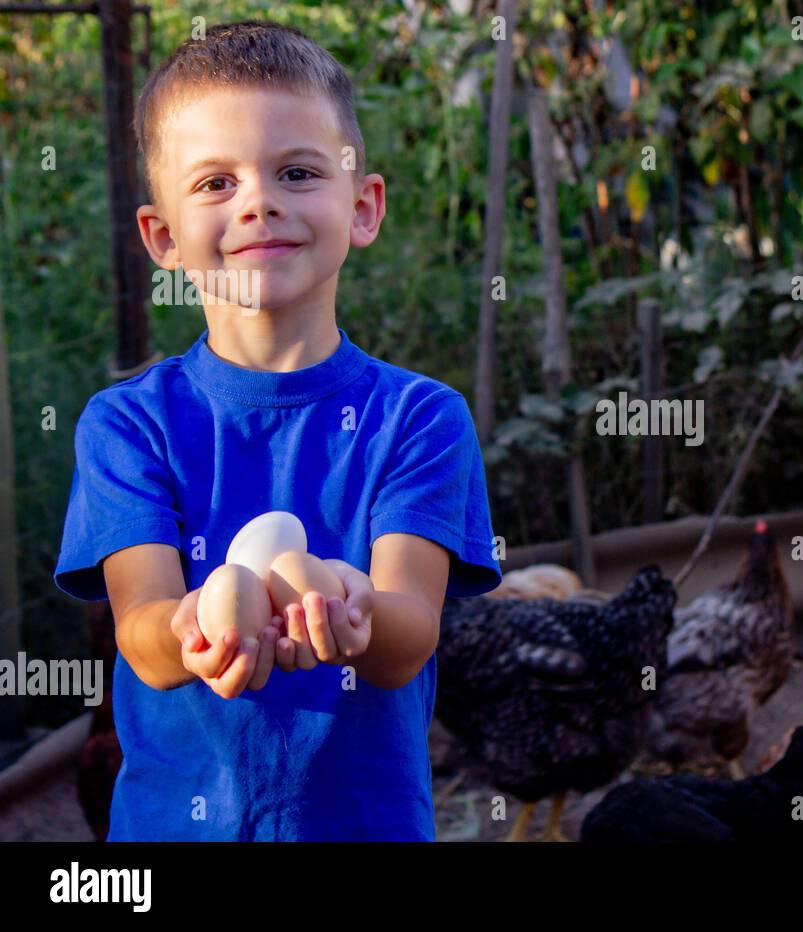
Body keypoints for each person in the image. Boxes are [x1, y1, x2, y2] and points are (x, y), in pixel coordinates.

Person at [53, 20, 501, 841]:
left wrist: (354, 607)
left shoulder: (420, 419)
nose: (258, 201)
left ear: (363, 207)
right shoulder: (127, 426)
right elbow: (144, 635)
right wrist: (197, 627)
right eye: (215, 183)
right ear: (162, 237)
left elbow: (407, 638)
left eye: (296, 172)